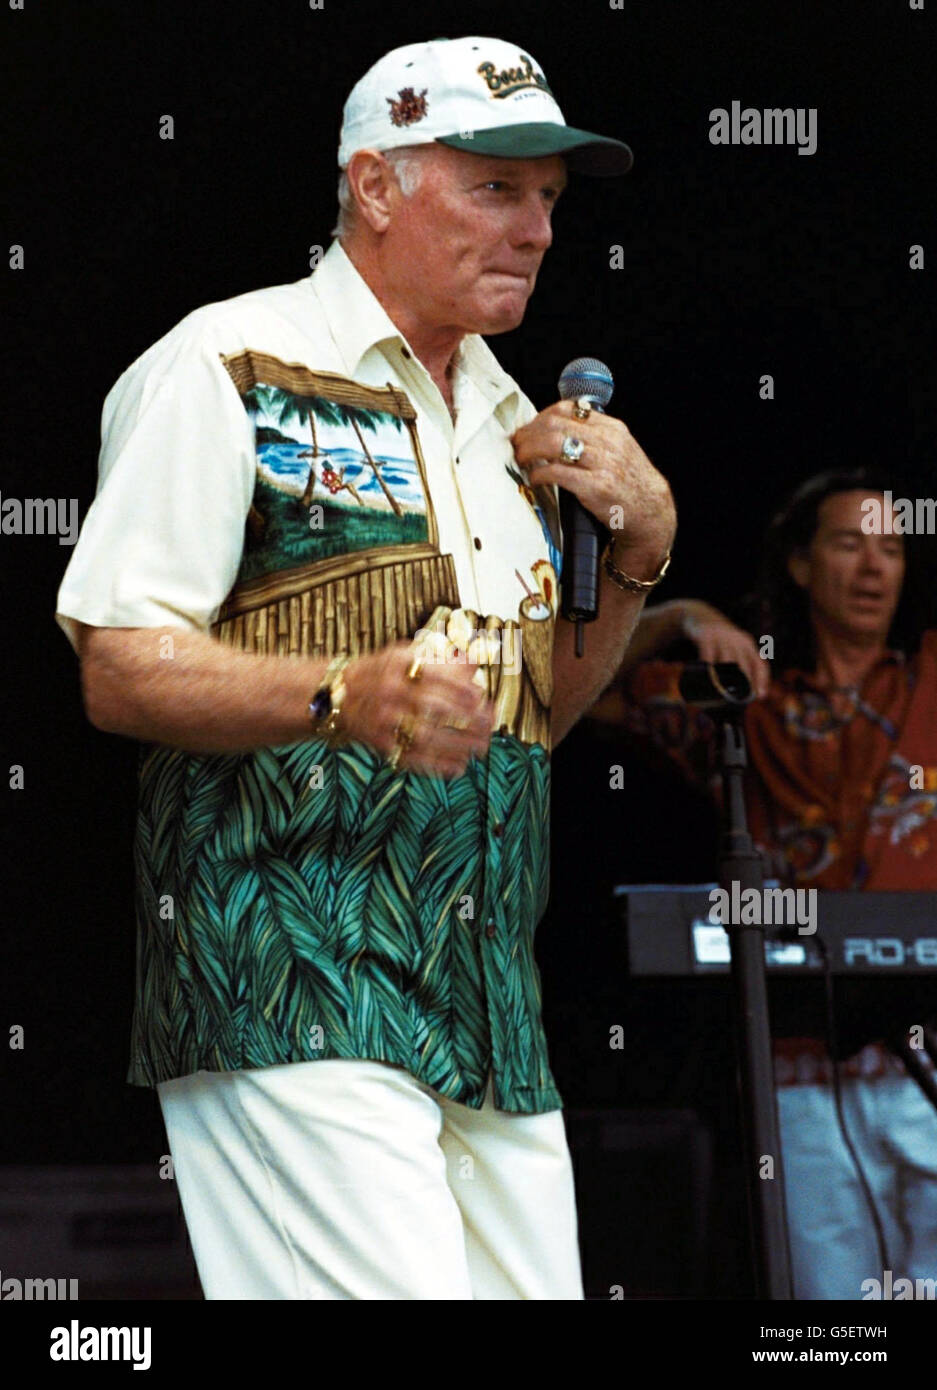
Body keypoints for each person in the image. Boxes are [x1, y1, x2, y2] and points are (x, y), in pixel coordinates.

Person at [54, 36, 676, 1300]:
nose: (538, 229)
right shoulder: (228, 362)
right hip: (291, 978)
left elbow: (533, 719)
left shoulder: (519, 426)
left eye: (550, 198)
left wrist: (643, 560)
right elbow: (118, 664)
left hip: (488, 1007)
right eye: (496, 187)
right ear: (376, 186)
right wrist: (337, 696)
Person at [591, 469, 937, 1299]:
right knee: (829, 1320)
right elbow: (574, 692)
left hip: (931, 1058)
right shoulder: (744, 699)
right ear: (798, 564)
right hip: (795, 1073)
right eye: (848, 544)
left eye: (890, 548)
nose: (871, 567)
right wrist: (678, 616)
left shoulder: (928, 681)